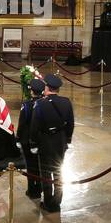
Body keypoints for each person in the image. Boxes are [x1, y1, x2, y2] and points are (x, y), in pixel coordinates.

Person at [31, 73, 74, 212]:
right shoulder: (67, 102)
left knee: (45, 173)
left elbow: (34, 126)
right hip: (60, 141)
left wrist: (33, 143)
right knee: (58, 171)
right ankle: (58, 200)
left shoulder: (40, 104)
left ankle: (49, 202)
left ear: (47, 88)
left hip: (45, 141)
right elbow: (71, 124)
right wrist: (66, 139)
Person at [16, 78, 46, 199]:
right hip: (41, 139)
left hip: (27, 140)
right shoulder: (45, 104)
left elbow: (22, 124)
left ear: (31, 91)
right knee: (41, 166)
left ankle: (33, 191)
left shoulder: (27, 105)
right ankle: (40, 187)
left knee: (30, 166)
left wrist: (18, 138)